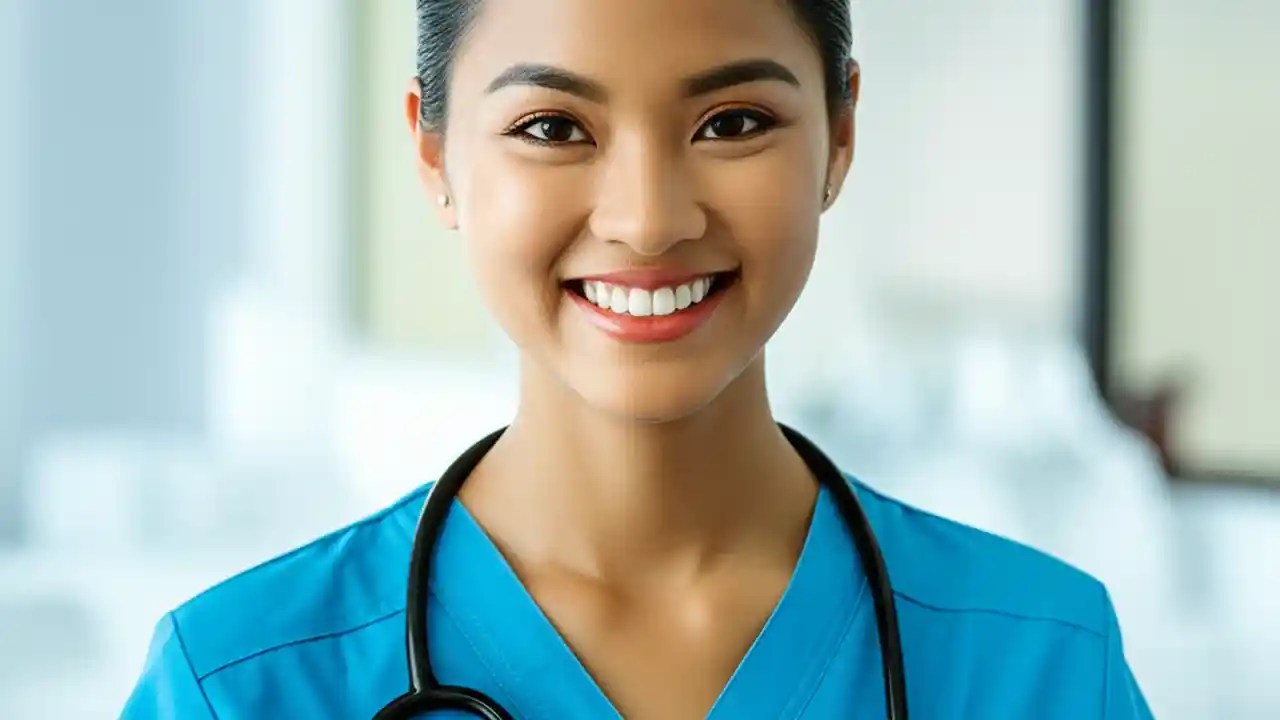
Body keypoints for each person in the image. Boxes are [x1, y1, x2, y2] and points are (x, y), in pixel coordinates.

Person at [121, 0, 1154, 717]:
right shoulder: (239, 686)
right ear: (434, 155)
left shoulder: (1043, 664)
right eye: (551, 127)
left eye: (732, 122)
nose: (648, 219)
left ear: (839, 133)